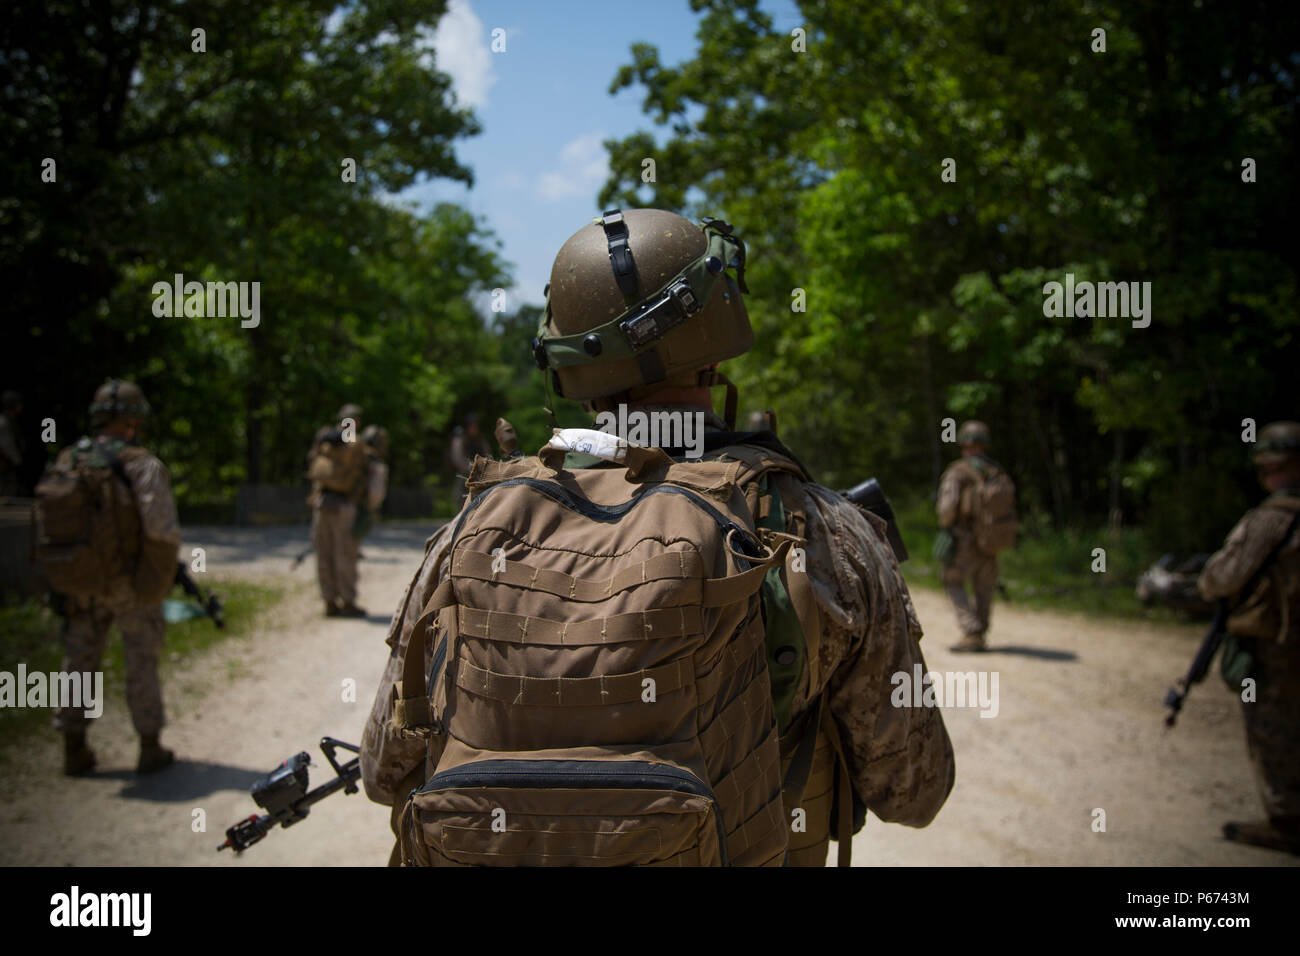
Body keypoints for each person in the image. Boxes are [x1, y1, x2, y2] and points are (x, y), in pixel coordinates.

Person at [361, 208, 954, 867]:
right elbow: (913, 789)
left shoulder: (471, 531)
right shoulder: (821, 533)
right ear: (716, 329)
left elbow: (384, 772)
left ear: (566, 362)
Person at [36, 379, 181, 775]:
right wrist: (156, 582)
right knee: (140, 658)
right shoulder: (142, 464)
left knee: (79, 658)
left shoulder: (67, 460)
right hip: (127, 583)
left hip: (79, 580)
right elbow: (162, 530)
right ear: (134, 421)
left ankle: (73, 745)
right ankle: (149, 746)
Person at [1197, 420, 1300, 855]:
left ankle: (1287, 819)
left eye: (1269, 469)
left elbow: (1220, 577)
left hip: (1279, 645)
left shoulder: (1271, 520)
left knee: (1273, 727)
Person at [934, 421, 1017, 652]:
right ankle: (981, 631)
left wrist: (946, 526)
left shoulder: (959, 471)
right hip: (991, 540)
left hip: (964, 539)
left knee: (952, 580)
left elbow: (947, 508)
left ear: (963, 442)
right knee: (984, 586)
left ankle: (971, 631)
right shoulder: (997, 472)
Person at [307, 404, 368, 618]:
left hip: (322, 502)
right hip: (344, 505)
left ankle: (329, 600)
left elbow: (312, 462)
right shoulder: (356, 443)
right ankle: (348, 601)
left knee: (325, 553)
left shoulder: (324, 440)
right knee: (345, 554)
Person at [447, 414, 489, 507]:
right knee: (460, 497)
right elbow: (458, 458)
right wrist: (472, 467)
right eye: (472, 426)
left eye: (476, 426)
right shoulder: (460, 439)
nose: (475, 428)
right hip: (464, 473)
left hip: (480, 474)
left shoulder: (480, 440)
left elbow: (486, 454)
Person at [0, 390, 23, 496]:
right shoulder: (4, 422)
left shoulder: (7, 420)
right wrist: (17, 460)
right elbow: (6, 444)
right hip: (4, 460)